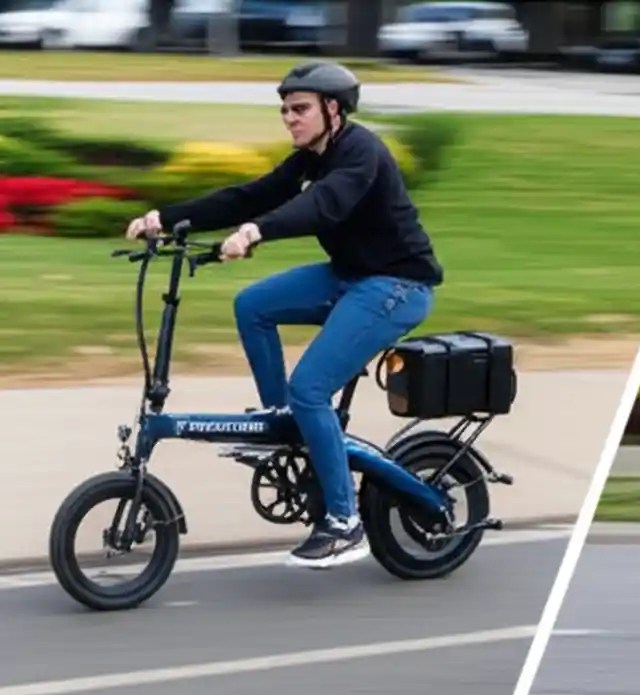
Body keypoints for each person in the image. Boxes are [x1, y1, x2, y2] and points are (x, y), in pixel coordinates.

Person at [124, 61, 444, 570]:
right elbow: (248, 196)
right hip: (351, 276)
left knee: (312, 388)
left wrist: (255, 232)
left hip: (397, 286)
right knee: (252, 305)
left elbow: (325, 206)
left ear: (332, 110)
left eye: (300, 109)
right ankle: (284, 423)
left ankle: (345, 523)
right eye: (285, 110)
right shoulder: (307, 159)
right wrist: (165, 217)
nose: (289, 119)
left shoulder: (362, 152)